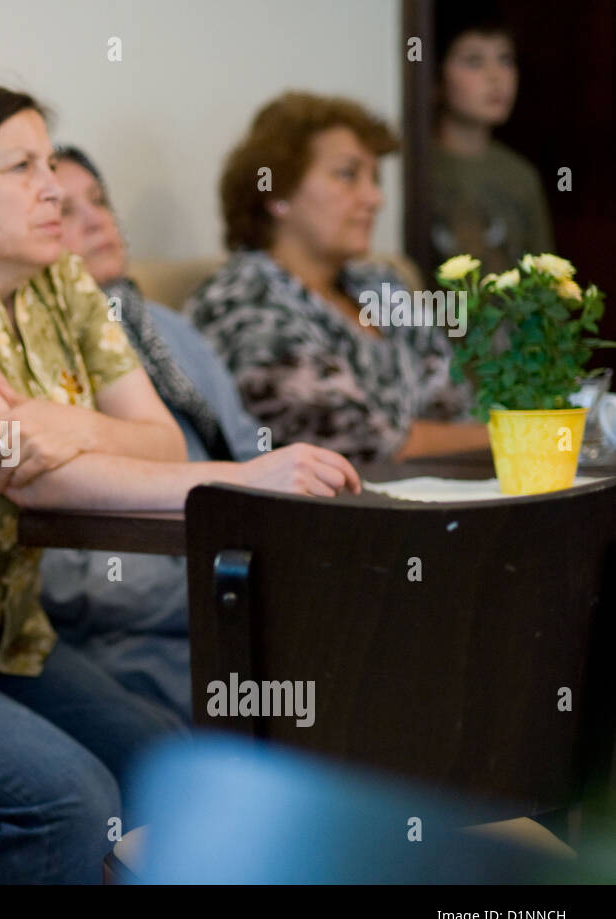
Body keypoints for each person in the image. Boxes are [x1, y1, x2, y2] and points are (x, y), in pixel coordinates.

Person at [0, 84, 361, 883]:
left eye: (49, 163)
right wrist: (240, 477)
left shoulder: (62, 282)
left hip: (2, 632)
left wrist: (64, 425)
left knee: (168, 761)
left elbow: (161, 441)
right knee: (71, 796)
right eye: (21, 166)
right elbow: (32, 484)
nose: (52, 186)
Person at [38, 144, 265, 720]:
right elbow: (74, 580)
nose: (96, 220)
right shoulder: (39, 353)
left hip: (238, 588)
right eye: (66, 210)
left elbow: (245, 447)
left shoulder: (169, 327)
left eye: (100, 200)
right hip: (134, 632)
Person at [186, 91, 487, 466]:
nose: (374, 198)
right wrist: (521, 434)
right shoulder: (239, 303)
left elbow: (456, 406)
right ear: (278, 193)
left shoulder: (382, 284)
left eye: (375, 179)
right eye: (348, 175)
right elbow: (364, 446)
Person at [431, 3, 553, 274]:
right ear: (435, 76)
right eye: (473, 61)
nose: (496, 77)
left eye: (506, 59)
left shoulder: (521, 177)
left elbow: (544, 285)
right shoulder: (413, 171)